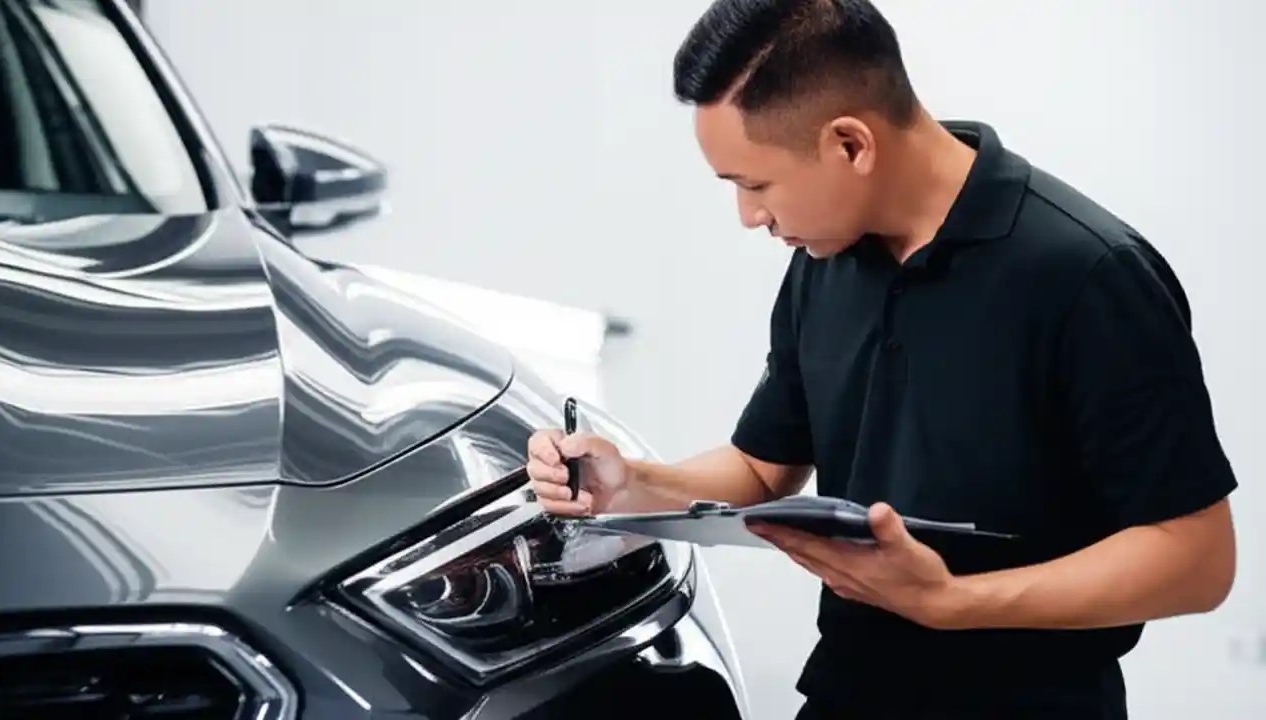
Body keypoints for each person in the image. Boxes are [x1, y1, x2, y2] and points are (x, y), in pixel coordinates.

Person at [526, 1, 1239, 717]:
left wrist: (953, 602)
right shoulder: (822, 260)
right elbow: (763, 467)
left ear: (850, 145)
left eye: (754, 184)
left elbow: (1196, 559)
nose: (750, 217)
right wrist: (632, 484)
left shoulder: (1089, 275)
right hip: (848, 692)